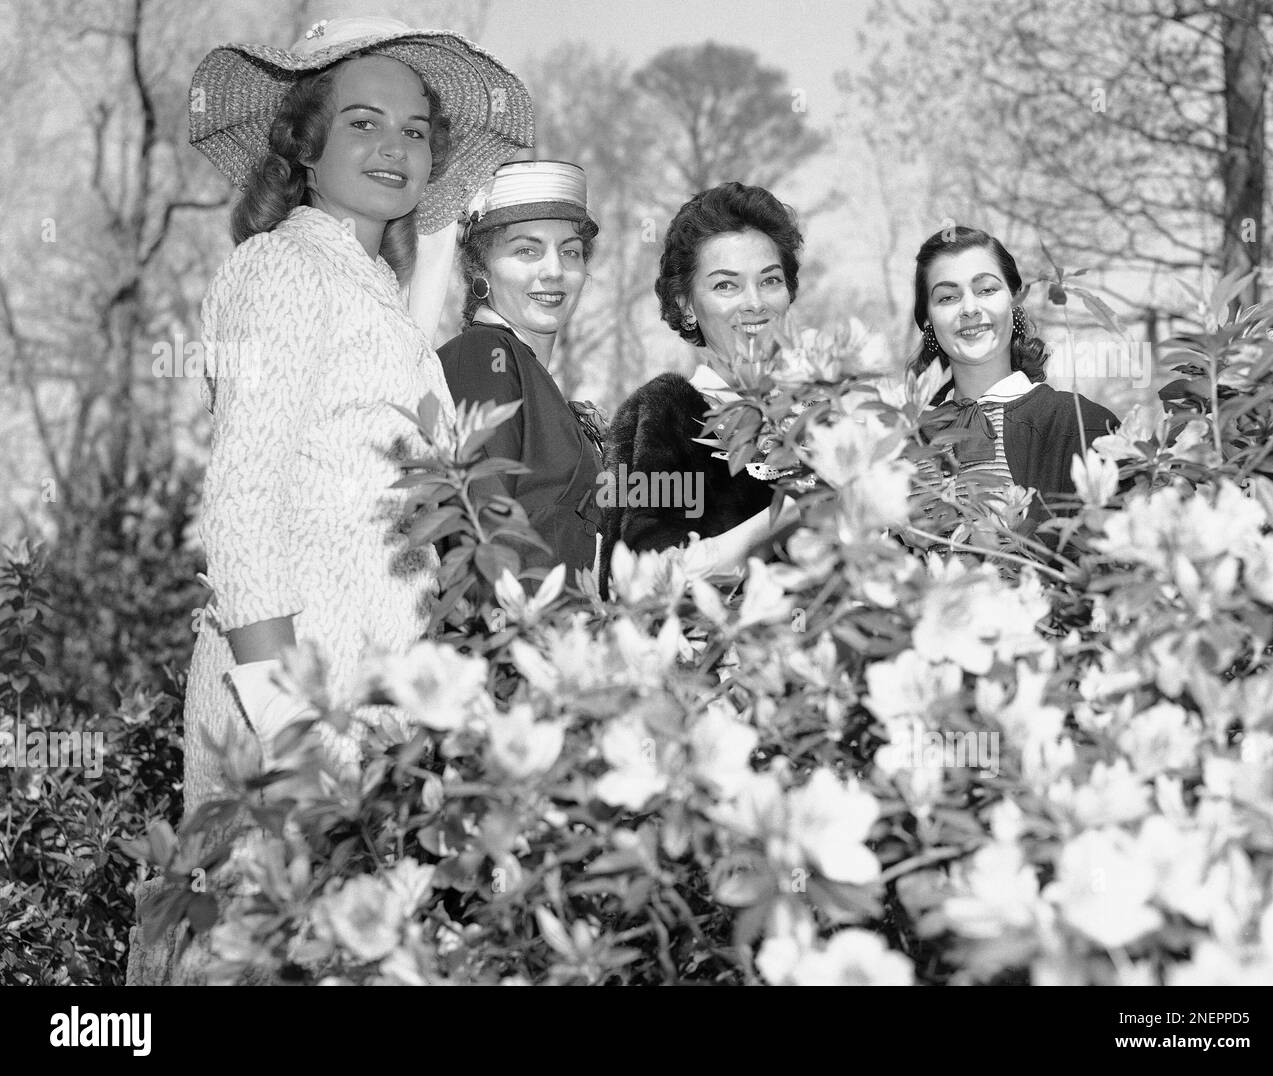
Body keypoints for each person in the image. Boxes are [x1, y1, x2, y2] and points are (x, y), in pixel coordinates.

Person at [126, 16, 531, 985]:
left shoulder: (373, 292)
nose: (394, 148)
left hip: (366, 703)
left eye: (415, 129)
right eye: (363, 123)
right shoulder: (283, 269)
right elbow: (239, 499)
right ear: (304, 143)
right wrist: (283, 714)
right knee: (244, 952)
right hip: (287, 696)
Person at [598, 182, 802, 596]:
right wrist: (792, 513)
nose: (754, 303)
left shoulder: (826, 412)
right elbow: (643, 576)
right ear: (686, 304)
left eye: (770, 280)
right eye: (726, 285)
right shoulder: (664, 413)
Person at [436, 160, 604, 585]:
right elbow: (489, 539)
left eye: (570, 251)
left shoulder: (534, 380)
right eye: (526, 250)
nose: (554, 270)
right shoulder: (483, 354)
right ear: (480, 269)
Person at [909, 225, 1118, 528]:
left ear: (1015, 301)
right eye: (947, 297)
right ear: (928, 319)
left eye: (987, 290)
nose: (969, 308)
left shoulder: (1080, 424)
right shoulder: (906, 443)